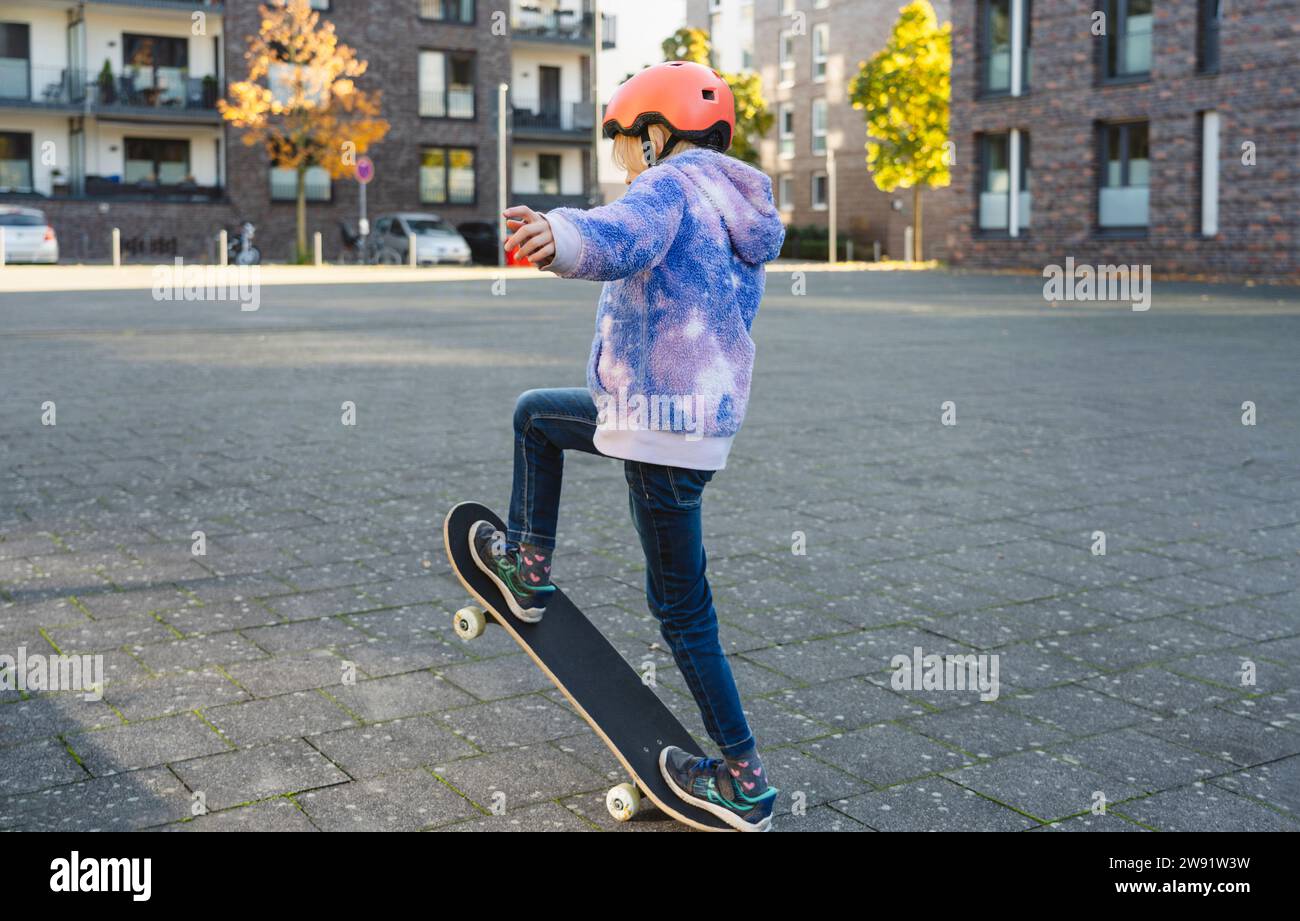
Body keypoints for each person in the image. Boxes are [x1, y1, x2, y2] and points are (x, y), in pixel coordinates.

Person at [469, 61, 785, 832]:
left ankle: (743, 777)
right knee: (538, 417)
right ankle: (526, 565)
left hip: (657, 431)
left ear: (653, 136)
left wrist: (561, 235)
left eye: (621, 143)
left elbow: (623, 233)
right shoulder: (733, 204)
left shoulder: (670, 186)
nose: (621, 161)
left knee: (680, 608)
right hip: (688, 422)